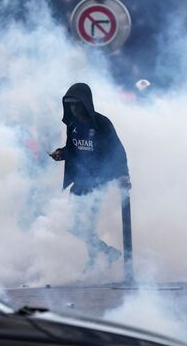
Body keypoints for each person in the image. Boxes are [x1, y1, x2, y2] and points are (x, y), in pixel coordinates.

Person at [50, 83, 130, 270]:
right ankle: (107, 253)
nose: (73, 109)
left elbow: (117, 151)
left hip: (98, 181)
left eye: (77, 104)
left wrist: (124, 175)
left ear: (85, 103)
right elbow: (72, 149)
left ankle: (94, 261)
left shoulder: (102, 124)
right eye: (70, 105)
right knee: (74, 224)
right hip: (80, 181)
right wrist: (61, 153)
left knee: (87, 224)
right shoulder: (73, 125)